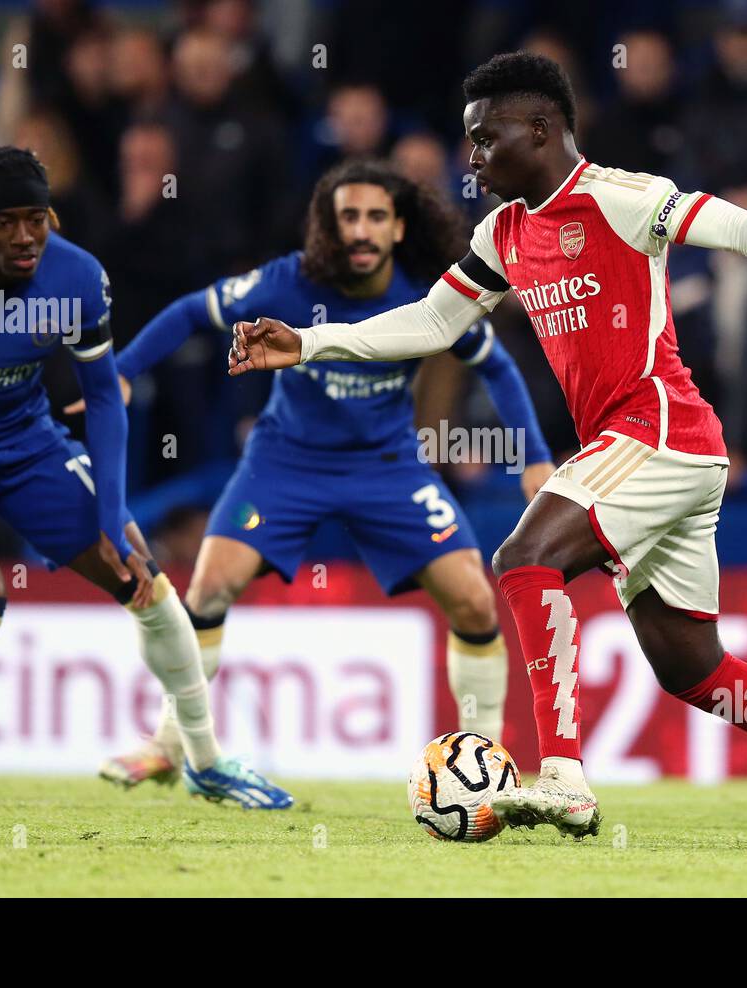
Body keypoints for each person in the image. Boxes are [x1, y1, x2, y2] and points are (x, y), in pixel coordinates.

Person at [229, 53, 747, 845]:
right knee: (695, 669)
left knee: (523, 557)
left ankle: (563, 776)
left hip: (658, 429)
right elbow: (431, 322)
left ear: (540, 129)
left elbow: (739, 225)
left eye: (485, 137)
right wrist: (309, 342)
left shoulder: (618, 198)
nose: (472, 157)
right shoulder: (504, 233)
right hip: (649, 448)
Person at [0, 147, 284, 809]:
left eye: (34, 219)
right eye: (4, 221)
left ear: (51, 217)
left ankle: (205, 760)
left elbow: (104, 397)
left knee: (146, 582)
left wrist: (111, 513)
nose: (23, 236)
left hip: (27, 444)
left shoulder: (78, 278)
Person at [77, 159, 554, 790]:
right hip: (286, 462)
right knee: (210, 588)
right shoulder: (288, 281)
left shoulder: (428, 295)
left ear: (399, 227)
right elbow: (194, 311)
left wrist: (535, 456)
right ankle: (168, 744)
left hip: (386, 466)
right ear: (330, 227)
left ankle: (484, 765)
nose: (361, 230)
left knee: (471, 598)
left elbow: (494, 364)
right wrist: (123, 369)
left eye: (376, 217)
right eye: (347, 217)